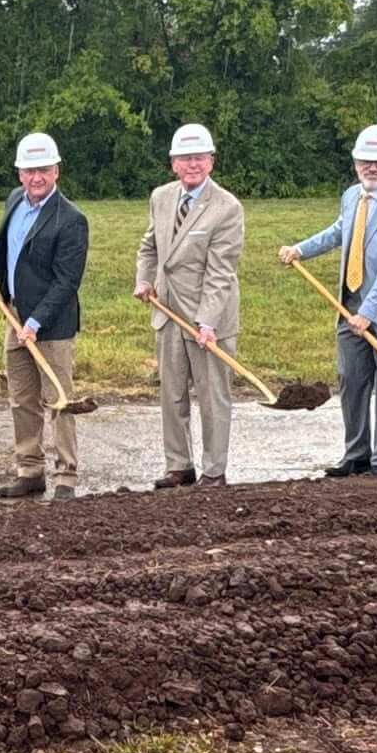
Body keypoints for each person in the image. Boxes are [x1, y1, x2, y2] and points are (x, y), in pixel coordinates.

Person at [278, 124, 377, 478]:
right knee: (352, 382)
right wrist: (300, 249)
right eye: (366, 161)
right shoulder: (352, 196)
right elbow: (339, 231)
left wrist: (368, 313)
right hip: (350, 309)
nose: (372, 168)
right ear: (355, 163)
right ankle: (356, 455)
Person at [0, 131, 89, 501]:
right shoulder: (15, 200)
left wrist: (35, 323)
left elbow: (67, 281)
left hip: (50, 325)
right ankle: (30, 470)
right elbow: (3, 239)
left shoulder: (71, 220)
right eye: (29, 171)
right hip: (15, 314)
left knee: (59, 399)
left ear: (56, 171)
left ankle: (66, 476)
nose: (36, 177)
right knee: (22, 399)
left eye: (43, 170)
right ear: (19, 174)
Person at [134, 123, 244, 488]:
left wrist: (207, 321)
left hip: (207, 319)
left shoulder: (227, 207)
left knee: (213, 397)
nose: (192, 164)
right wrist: (145, 279)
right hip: (167, 314)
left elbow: (221, 272)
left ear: (211, 161)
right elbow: (150, 246)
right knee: (172, 394)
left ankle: (214, 471)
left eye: (199, 158)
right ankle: (179, 466)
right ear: (173, 164)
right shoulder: (161, 197)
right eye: (185, 159)